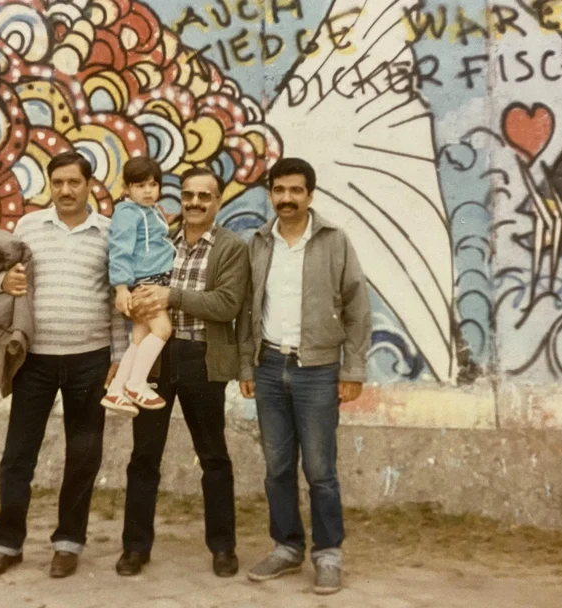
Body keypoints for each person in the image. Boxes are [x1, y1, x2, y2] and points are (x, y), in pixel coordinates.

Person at [0, 151, 127, 580]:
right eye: (58, 182)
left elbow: (116, 304)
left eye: (73, 183)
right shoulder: (28, 227)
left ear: (89, 185)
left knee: (83, 455)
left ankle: (68, 543)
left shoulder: (108, 233)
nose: (65, 190)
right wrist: (1, 281)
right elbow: (1, 272)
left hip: (90, 360)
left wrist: (117, 357)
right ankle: (6, 544)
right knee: (18, 455)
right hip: (35, 360)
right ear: (50, 185)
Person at [238, 157, 372, 596]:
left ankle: (328, 553)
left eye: (296, 191)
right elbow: (246, 310)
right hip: (270, 367)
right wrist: (247, 365)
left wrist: (352, 368)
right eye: (279, 190)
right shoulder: (258, 243)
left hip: (317, 370)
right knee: (277, 467)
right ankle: (286, 546)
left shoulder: (334, 241)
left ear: (310, 195)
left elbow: (357, 308)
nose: (287, 199)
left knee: (319, 469)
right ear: (270, 193)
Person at [115, 167, 250, 578]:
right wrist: (136, 299)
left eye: (203, 196)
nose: (193, 203)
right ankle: (135, 547)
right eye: (188, 195)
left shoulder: (231, 247)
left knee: (212, 456)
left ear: (217, 201)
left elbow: (226, 304)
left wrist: (170, 295)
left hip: (202, 358)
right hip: (156, 356)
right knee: (143, 455)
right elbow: (138, 285)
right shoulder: (160, 237)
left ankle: (223, 547)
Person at [101, 156, 176, 417]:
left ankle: (116, 392)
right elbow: (119, 251)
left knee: (140, 338)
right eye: (140, 185)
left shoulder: (150, 211)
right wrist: (121, 288)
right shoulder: (127, 213)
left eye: (153, 185)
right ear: (127, 188)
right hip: (146, 283)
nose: (148, 191)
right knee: (163, 329)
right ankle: (136, 384)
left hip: (154, 279)